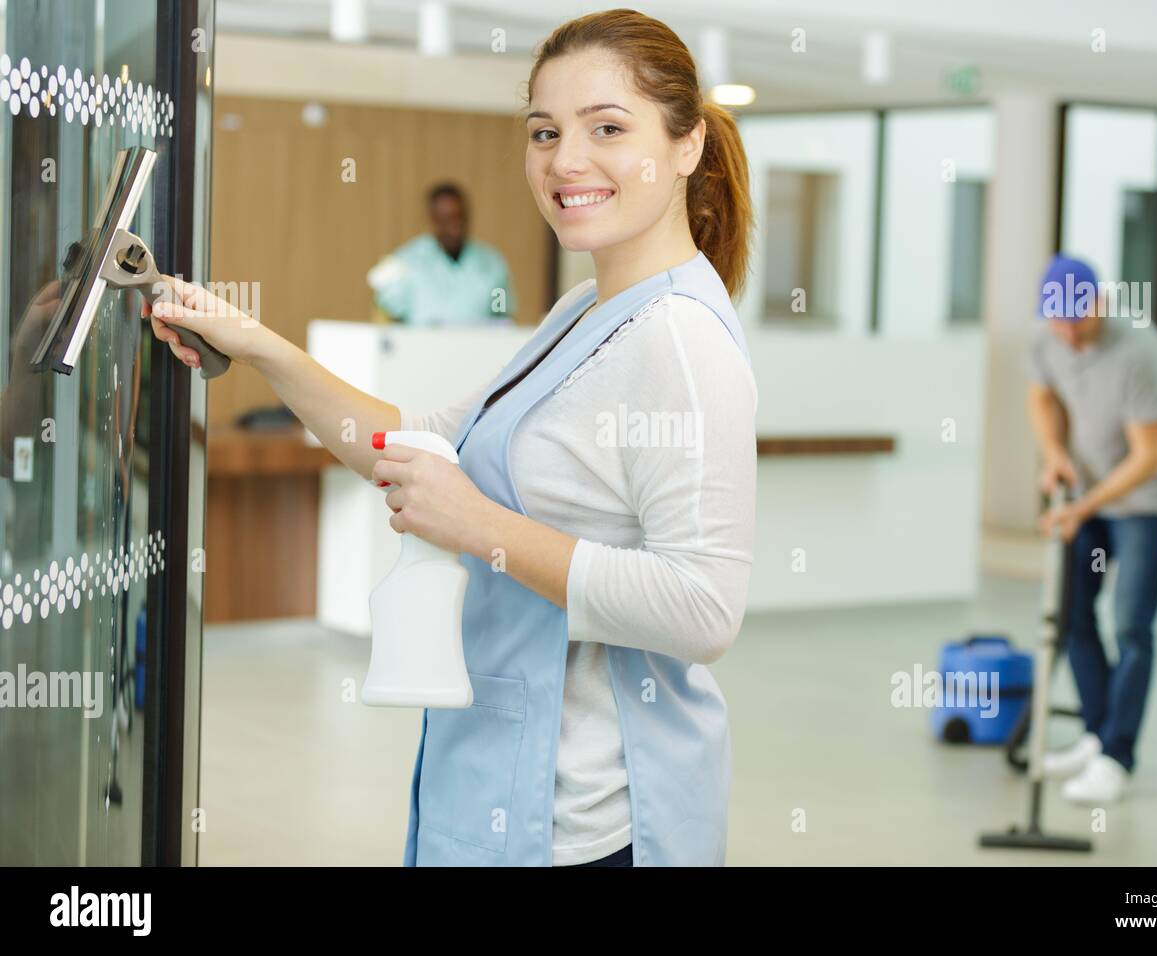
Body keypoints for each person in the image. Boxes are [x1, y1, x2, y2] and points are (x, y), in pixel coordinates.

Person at [144, 8, 756, 866]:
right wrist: (259, 346)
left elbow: (704, 610)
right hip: (504, 783)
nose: (565, 161)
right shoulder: (587, 310)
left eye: (606, 128)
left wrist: (479, 528)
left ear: (686, 144)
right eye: (544, 132)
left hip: (590, 826)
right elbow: (423, 444)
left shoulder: (680, 343)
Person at [1026, 254, 1157, 803]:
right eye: (1059, 322)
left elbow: (1148, 456)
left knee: (1131, 626)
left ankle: (1118, 756)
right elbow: (1041, 394)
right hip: (1090, 490)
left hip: (1146, 494)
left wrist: (1080, 507)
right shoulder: (1048, 339)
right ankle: (1098, 736)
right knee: (1072, 615)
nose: (1069, 334)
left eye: (1079, 320)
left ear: (1099, 304)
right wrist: (1053, 454)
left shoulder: (1140, 353)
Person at [367, 182, 515, 326]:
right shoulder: (405, 262)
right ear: (433, 219)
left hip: (479, 348)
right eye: (446, 219)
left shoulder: (492, 263)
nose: (455, 227)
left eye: (459, 217)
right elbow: (389, 316)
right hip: (422, 348)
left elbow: (502, 319)